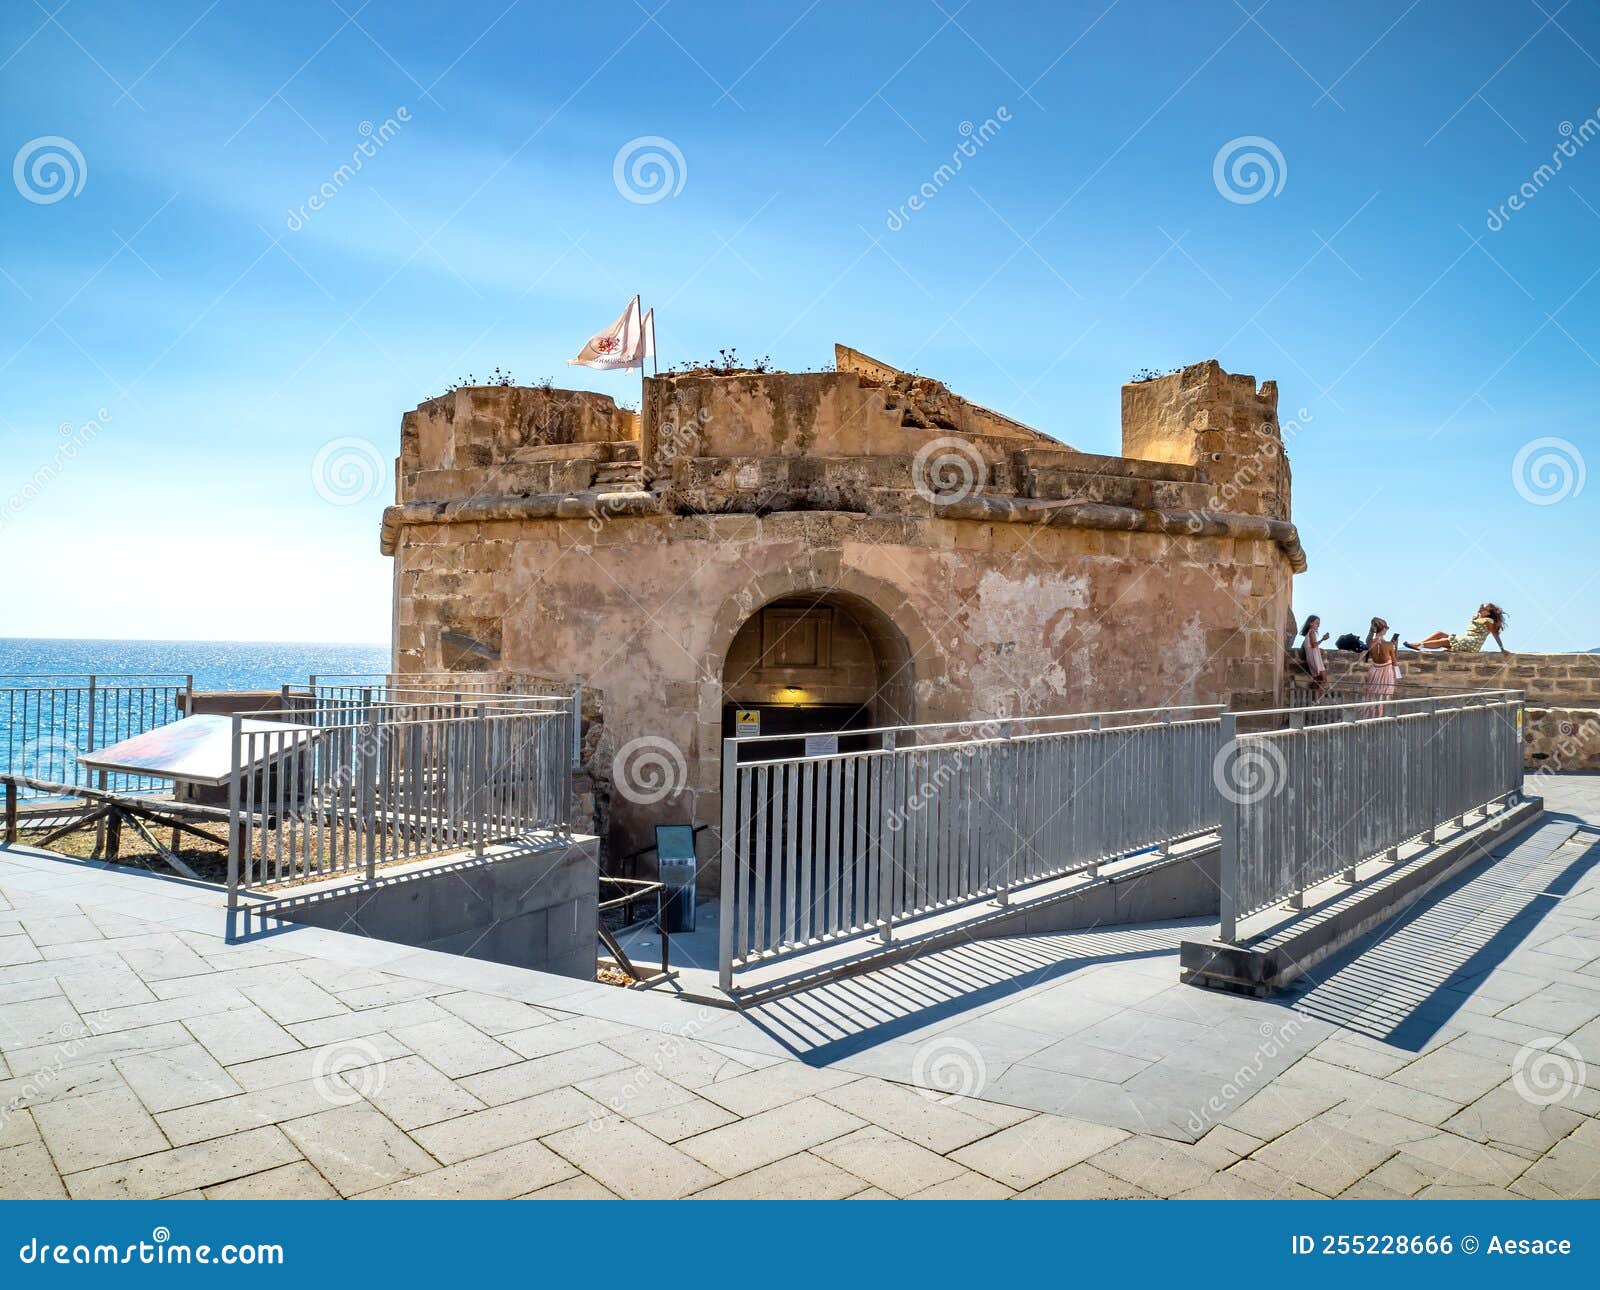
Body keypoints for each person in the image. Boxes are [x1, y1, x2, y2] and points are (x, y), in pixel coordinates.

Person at [1405, 603, 1508, 653]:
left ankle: (1420, 645)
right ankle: (1418, 645)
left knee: (1443, 640)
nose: (1480, 609)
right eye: (1481, 606)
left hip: (1472, 643)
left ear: (1488, 613)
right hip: (1467, 640)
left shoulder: (1488, 621)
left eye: (1483, 608)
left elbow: (1495, 634)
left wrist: (1502, 649)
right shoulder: (1477, 618)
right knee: (1439, 633)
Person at [1364, 617, 1399, 713]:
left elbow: (1369, 637)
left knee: (1372, 696)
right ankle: (1381, 717)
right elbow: (1394, 660)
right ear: (1383, 629)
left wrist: (1372, 629)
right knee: (1385, 697)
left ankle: (1372, 717)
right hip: (1386, 672)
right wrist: (1396, 647)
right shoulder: (1389, 645)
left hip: (1374, 670)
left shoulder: (1369, 642)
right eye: (1386, 628)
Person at [1298, 615, 1329, 694]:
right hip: (1315, 658)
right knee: (1324, 679)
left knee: (1317, 679)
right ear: (1311, 623)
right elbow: (1314, 645)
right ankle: (1316, 700)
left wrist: (1318, 649)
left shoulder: (1307, 634)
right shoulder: (1311, 632)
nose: (1318, 625)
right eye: (1317, 623)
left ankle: (1312, 697)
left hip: (1311, 657)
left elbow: (1309, 646)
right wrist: (1323, 639)